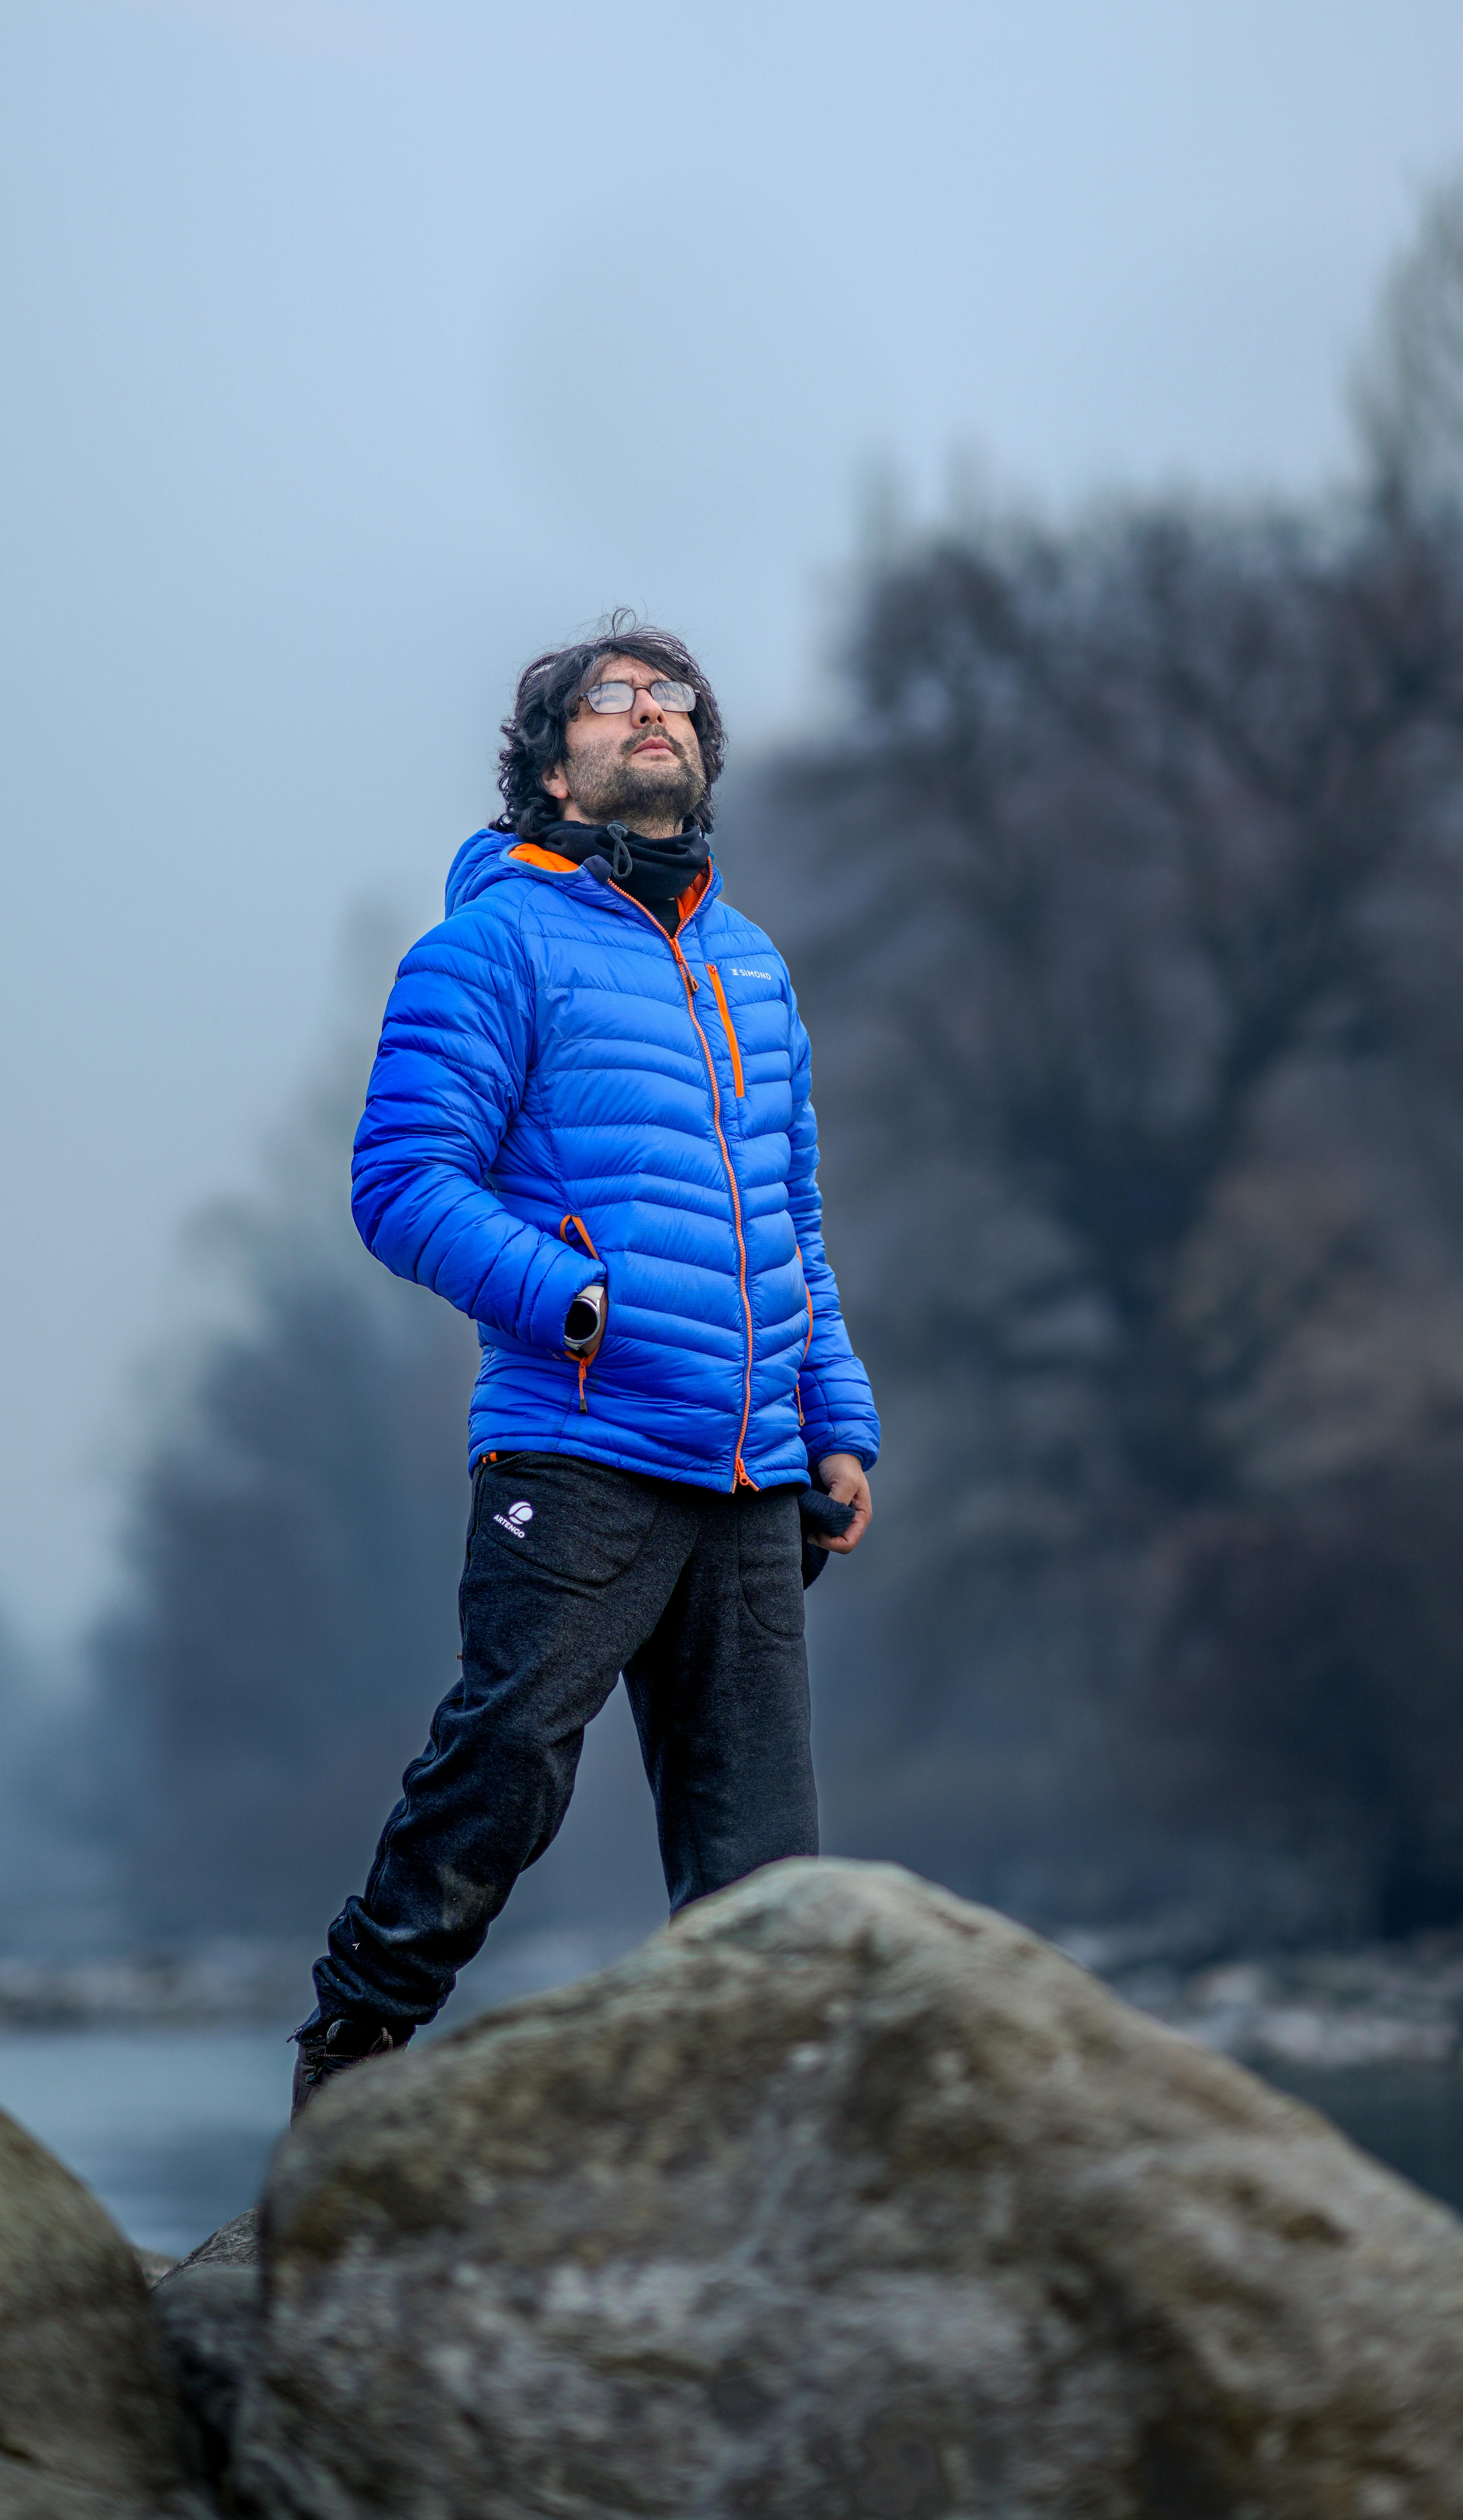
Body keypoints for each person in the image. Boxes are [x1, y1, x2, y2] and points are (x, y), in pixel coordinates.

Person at [291, 619, 879, 2108]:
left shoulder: (751, 966)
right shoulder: (489, 947)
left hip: (750, 1470)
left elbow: (792, 1220)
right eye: (611, 702)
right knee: (505, 1772)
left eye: (674, 699)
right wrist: (575, 1304)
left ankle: (757, 2147)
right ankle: (350, 2058)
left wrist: (836, 1418)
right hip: (577, 1443)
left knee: (763, 1870)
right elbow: (402, 1184)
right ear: (551, 767)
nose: (651, 715)